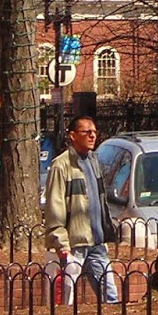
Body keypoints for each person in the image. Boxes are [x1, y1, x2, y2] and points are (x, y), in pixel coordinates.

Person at [43, 116, 119, 304]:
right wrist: (61, 244)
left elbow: (100, 202)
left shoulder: (94, 162)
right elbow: (55, 207)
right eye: (87, 132)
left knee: (111, 297)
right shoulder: (61, 166)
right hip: (74, 245)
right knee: (65, 301)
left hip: (97, 243)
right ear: (73, 136)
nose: (92, 136)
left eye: (94, 132)